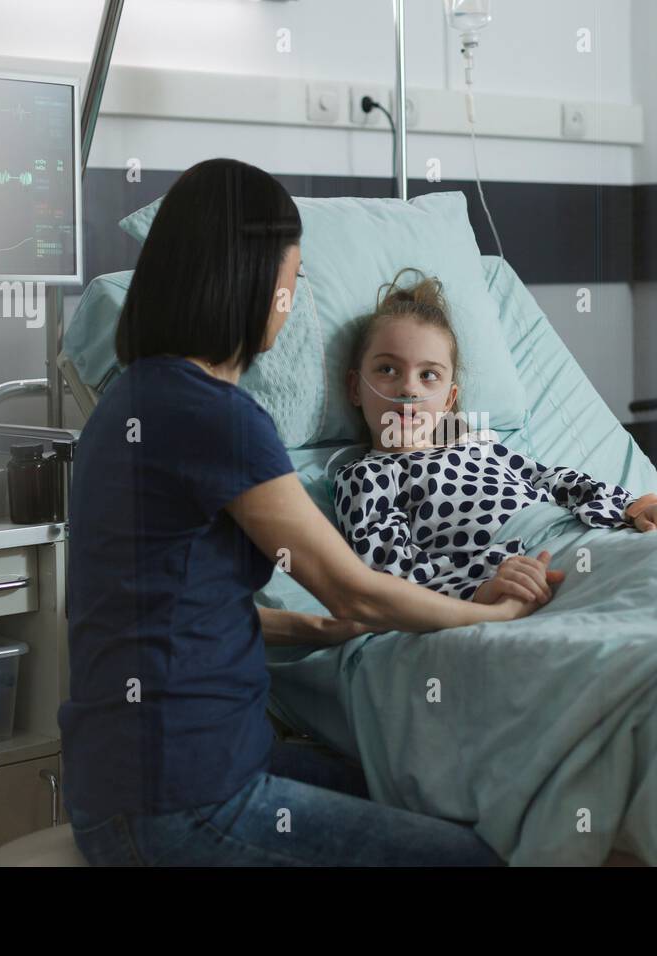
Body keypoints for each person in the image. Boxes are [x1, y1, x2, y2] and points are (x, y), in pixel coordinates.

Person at [59, 159, 553, 867]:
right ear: (254, 285)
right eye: (290, 283)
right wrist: (496, 615)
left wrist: (319, 631)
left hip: (129, 785)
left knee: (422, 792)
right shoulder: (216, 418)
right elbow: (351, 582)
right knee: (473, 858)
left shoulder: (130, 402)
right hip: (181, 804)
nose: (290, 305)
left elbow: (168, 611)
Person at [335, 268, 657, 604]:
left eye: (428, 375)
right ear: (355, 388)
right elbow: (390, 573)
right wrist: (479, 588)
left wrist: (637, 507)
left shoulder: (475, 445)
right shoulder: (368, 476)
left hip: (589, 529)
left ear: (449, 399)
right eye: (387, 369)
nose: (409, 388)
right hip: (530, 564)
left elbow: (552, 480)